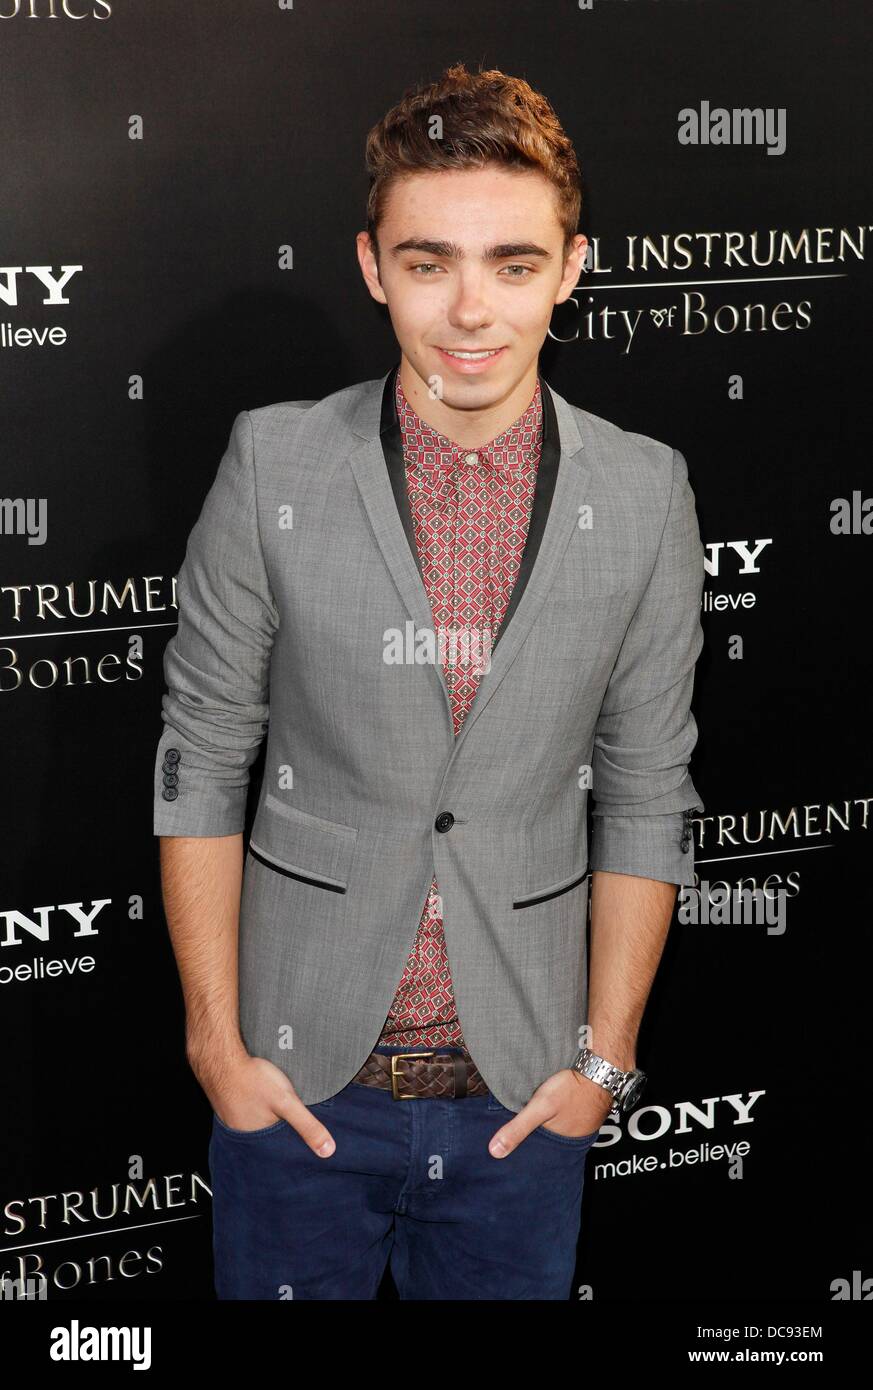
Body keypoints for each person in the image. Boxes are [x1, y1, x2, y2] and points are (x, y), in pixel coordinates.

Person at [153, 62, 705, 1300]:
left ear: (569, 268)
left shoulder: (645, 490)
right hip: (297, 1093)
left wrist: (605, 1061)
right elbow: (201, 749)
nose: (470, 310)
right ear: (370, 265)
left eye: (513, 264)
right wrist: (216, 1046)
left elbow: (648, 787)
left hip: (522, 1106)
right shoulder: (274, 459)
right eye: (426, 262)